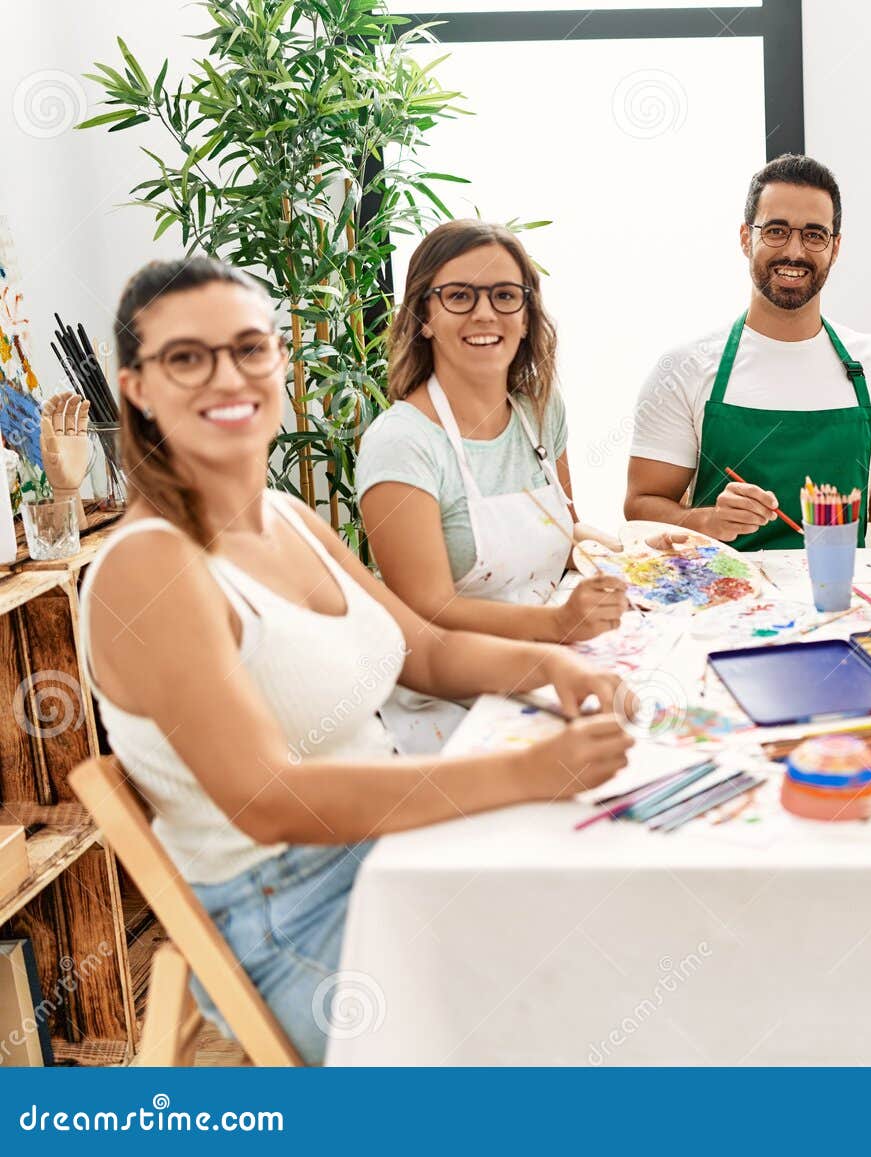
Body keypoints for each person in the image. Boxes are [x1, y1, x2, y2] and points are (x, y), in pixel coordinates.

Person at [83, 257, 635, 1063]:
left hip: (389, 849)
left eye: (248, 348)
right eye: (186, 357)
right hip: (291, 907)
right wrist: (524, 772)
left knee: (611, 946)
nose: (227, 375)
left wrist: (552, 666)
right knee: (554, 1037)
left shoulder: (289, 515)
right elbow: (269, 799)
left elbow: (428, 649)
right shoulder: (148, 566)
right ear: (136, 387)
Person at [356, 220, 629, 753]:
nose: (485, 313)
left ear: (526, 317)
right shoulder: (402, 442)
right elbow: (428, 608)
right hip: (456, 701)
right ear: (424, 318)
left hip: (552, 663)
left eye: (505, 296)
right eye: (459, 296)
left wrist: (634, 550)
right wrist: (558, 625)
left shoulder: (540, 412)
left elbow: (566, 532)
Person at [624, 153, 871, 549]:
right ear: (747, 238)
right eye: (776, 230)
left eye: (814, 235)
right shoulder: (684, 368)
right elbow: (641, 505)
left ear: (835, 247)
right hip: (725, 602)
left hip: (843, 603)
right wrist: (708, 520)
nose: (795, 251)